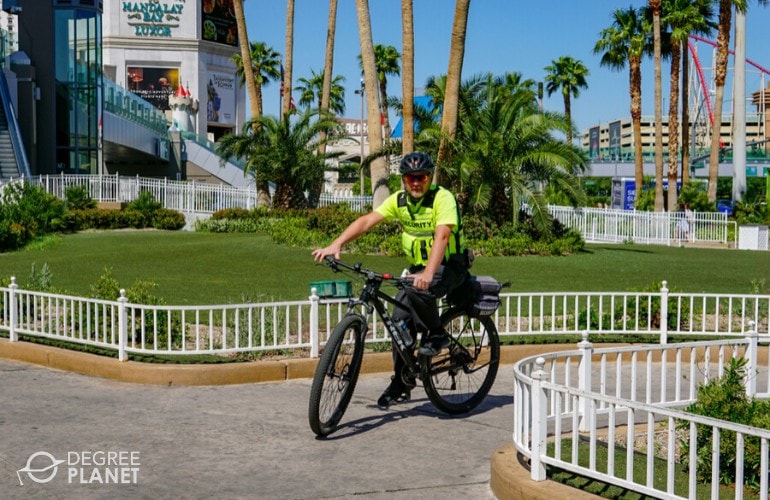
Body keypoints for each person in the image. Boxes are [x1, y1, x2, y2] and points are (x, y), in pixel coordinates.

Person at [312, 151, 470, 407]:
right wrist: (336, 243)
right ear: (403, 180)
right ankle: (401, 381)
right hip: (419, 268)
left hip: (450, 266)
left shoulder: (443, 199)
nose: (415, 182)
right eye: (410, 178)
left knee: (419, 288)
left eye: (420, 177)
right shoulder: (399, 201)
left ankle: (438, 334)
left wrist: (429, 273)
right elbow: (367, 221)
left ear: (429, 178)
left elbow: (442, 236)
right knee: (398, 322)